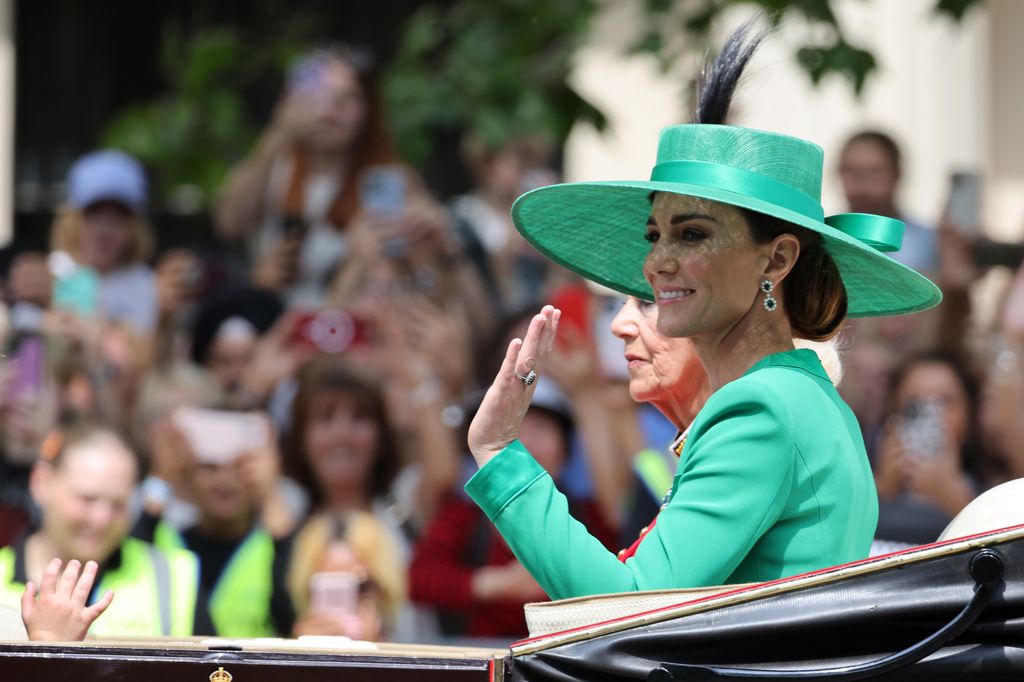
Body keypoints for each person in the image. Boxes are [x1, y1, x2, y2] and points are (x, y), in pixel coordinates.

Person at [462, 24, 942, 600]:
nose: (657, 262)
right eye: (655, 234)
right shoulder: (799, 398)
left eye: (691, 234)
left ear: (778, 258)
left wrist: (499, 452)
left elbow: (628, 604)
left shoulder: (761, 408)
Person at [409, 379, 616, 640]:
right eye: (511, 429)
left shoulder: (588, 517)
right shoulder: (464, 516)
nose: (526, 444)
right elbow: (420, 579)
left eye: (541, 427)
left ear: (566, 449)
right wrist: (499, 584)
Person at [0, 425, 200, 637]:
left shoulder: (172, 576)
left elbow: (218, 666)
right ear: (41, 482)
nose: (102, 519)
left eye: (118, 504)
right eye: (88, 499)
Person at [50, 150, 159, 334]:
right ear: (71, 219)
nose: (105, 229)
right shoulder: (52, 278)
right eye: (95, 212)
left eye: (119, 215)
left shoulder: (150, 287)